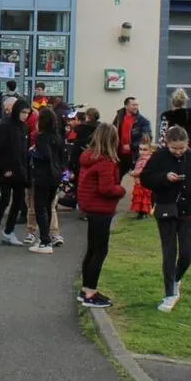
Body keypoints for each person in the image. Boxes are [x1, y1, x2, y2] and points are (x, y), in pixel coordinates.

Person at [140, 125, 191, 313]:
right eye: (174, 148)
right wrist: (165, 177)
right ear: (167, 144)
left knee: (187, 254)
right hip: (166, 209)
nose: (178, 151)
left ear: (188, 143)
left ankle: (176, 278)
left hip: (188, 210)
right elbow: (145, 179)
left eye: (182, 147)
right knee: (169, 252)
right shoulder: (159, 157)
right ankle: (169, 293)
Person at [76, 123, 126, 308]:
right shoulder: (106, 162)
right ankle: (90, 292)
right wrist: (121, 190)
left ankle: (86, 289)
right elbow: (106, 189)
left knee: (92, 250)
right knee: (100, 251)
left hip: (91, 208)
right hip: (102, 209)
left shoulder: (89, 157)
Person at [0, 99, 30, 246]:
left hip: (19, 170)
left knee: (18, 201)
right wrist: (4, 168)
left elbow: (23, 151)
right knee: (4, 200)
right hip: (5, 170)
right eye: (23, 112)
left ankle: (8, 231)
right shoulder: (4, 126)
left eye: (27, 113)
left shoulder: (24, 128)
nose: (25, 116)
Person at [28, 107, 65, 254]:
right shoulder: (58, 136)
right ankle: (46, 237)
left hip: (43, 175)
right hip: (55, 176)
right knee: (48, 207)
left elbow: (45, 155)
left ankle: (44, 241)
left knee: (39, 207)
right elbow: (62, 157)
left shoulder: (42, 137)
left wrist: (32, 152)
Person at [112, 97, 153, 179]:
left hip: (135, 155)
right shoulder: (119, 118)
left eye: (137, 105)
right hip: (119, 154)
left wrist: (131, 146)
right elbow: (113, 133)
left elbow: (147, 138)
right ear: (126, 106)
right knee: (116, 178)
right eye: (133, 105)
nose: (136, 107)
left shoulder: (143, 121)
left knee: (137, 180)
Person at [129, 134, 155, 219]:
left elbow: (142, 171)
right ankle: (142, 212)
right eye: (140, 149)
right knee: (140, 198)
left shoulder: (147, 159)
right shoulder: (141, 158)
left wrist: (133, 173)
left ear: (150, 150)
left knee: (143, 198)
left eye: (144, 150)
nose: (141, 151)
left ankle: (143, 213)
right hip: (139, 182)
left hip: (143, 183)